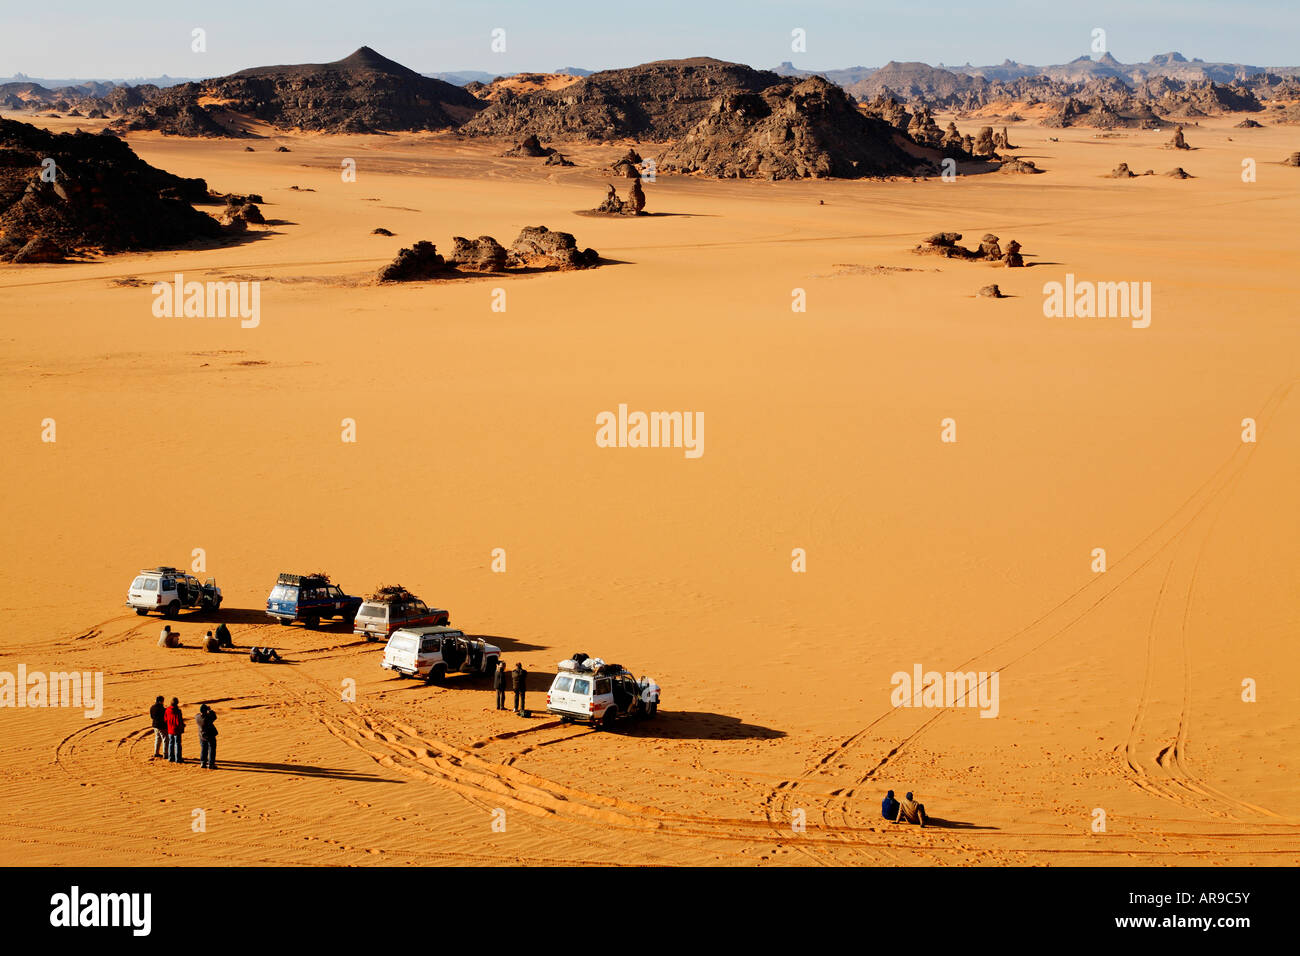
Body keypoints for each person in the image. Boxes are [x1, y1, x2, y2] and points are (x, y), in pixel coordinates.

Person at [196, 704, 219, 770]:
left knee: (204, 749)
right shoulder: (207, 718)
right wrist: (210, 710)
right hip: (210, 736)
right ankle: (211, 764)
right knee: (212, 749)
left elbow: (198, 714)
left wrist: (206, 711)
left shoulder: (197, 717)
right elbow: (214, 716)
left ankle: (203, 762)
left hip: (202, 736)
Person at [164, 697, 185, 763]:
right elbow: (179, 721)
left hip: (170, 729)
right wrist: (182, 726)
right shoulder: (178, 711)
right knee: (177, 744)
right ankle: (178, 759)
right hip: (176, 730)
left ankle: (170, 758)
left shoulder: (167, 710)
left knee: (171, 743)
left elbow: (165, 719)